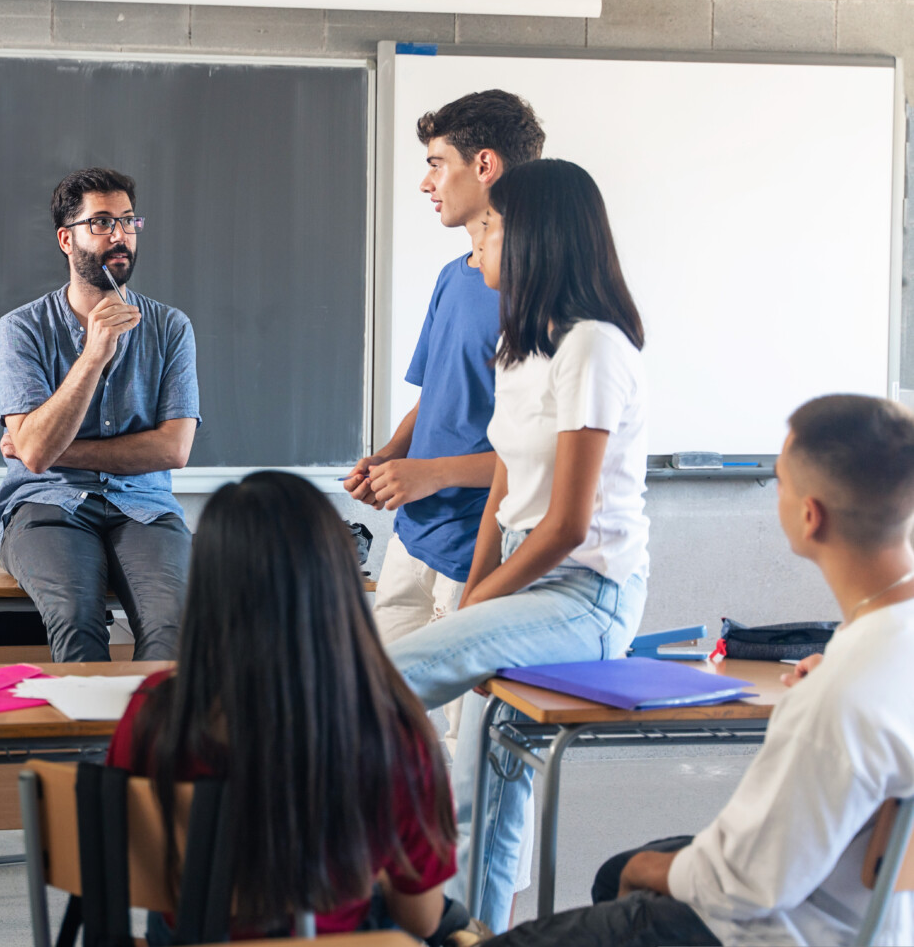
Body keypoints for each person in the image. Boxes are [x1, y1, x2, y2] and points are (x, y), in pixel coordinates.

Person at [488, 394, 914, 947]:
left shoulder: (835, 698)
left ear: (811, 516)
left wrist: (649, 871)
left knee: (622, 879)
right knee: (615, 872)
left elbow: (747, 885)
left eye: (780, 482)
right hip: (876, 918)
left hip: (781, 930)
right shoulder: (871, 656)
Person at [387, 158, 650, 932]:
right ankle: (476, 931)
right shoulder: (521, 347)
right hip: (523, 582)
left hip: (585, 595)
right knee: (488, 790)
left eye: (491, 226)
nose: (479, 241)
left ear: (538, 240)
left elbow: (568, 524)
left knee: (381, 681)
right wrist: (475, 598)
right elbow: (504, 493)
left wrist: (475, 611)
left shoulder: (592, 347)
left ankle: (391, 901)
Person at [107, 471, 465, 942]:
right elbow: (420, 918)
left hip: (200, 932)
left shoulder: (156, 710)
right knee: (452, 921)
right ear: (336, 580)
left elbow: (129, 858)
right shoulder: (389, 728)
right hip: (328, 935)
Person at [344, 89, 544, 754]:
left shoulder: (537, 293)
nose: (427, 183)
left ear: (484, 166)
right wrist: (387, 457)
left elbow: (542, 455)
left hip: (477, 553)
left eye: (437, 163)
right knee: (378, 726)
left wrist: (429, 473)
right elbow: (434, 399)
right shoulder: (454, 276)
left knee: (470, 754)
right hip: (414, 541)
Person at [0, 167, 199, 663]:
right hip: (48, 505)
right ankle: (90, 744)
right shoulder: (20, 330)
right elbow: (38, 458)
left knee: (176, 627)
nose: (119, 235)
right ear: (67, 239)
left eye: (128, 221)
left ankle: (147, 742)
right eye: (101, 223)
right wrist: (94, 355)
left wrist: (48, 447)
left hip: (143, 506)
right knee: (76, 620)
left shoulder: (171, 328)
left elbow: (174, 450)